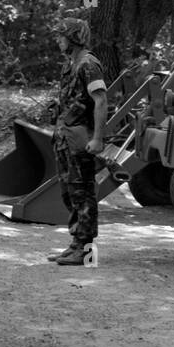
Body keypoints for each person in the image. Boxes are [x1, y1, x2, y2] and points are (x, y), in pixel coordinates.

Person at [47, 18, 107, 266]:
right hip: (66, 138)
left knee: (83, 193)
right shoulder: (70, 65)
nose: (58, 40)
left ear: (73, 37)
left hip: (80, 138)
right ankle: (76, 244)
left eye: (62, 35)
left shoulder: (89, 64)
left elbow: (101, 101)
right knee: (70, 192)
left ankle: (86, 250)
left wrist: (97, 138)